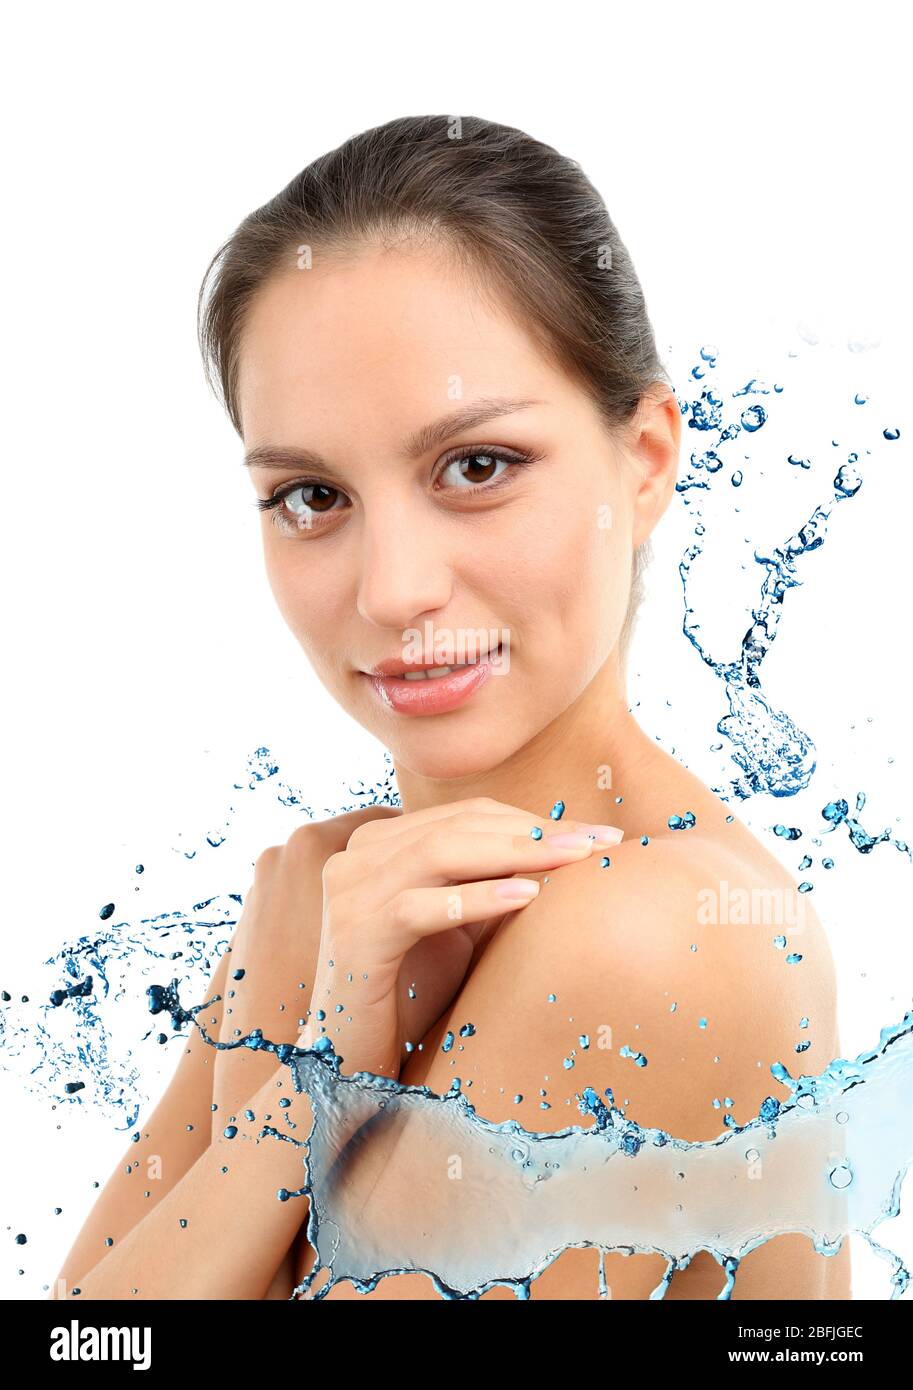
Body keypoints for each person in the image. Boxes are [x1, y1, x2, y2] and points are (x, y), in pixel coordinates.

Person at [52, 114, 851, 1301]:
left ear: (641, 459)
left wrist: (288, 1049)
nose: (392, 589)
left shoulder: (652, 938)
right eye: (311, 494)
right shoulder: (354, 916)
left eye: (476, 466)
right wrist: (318, 1053)